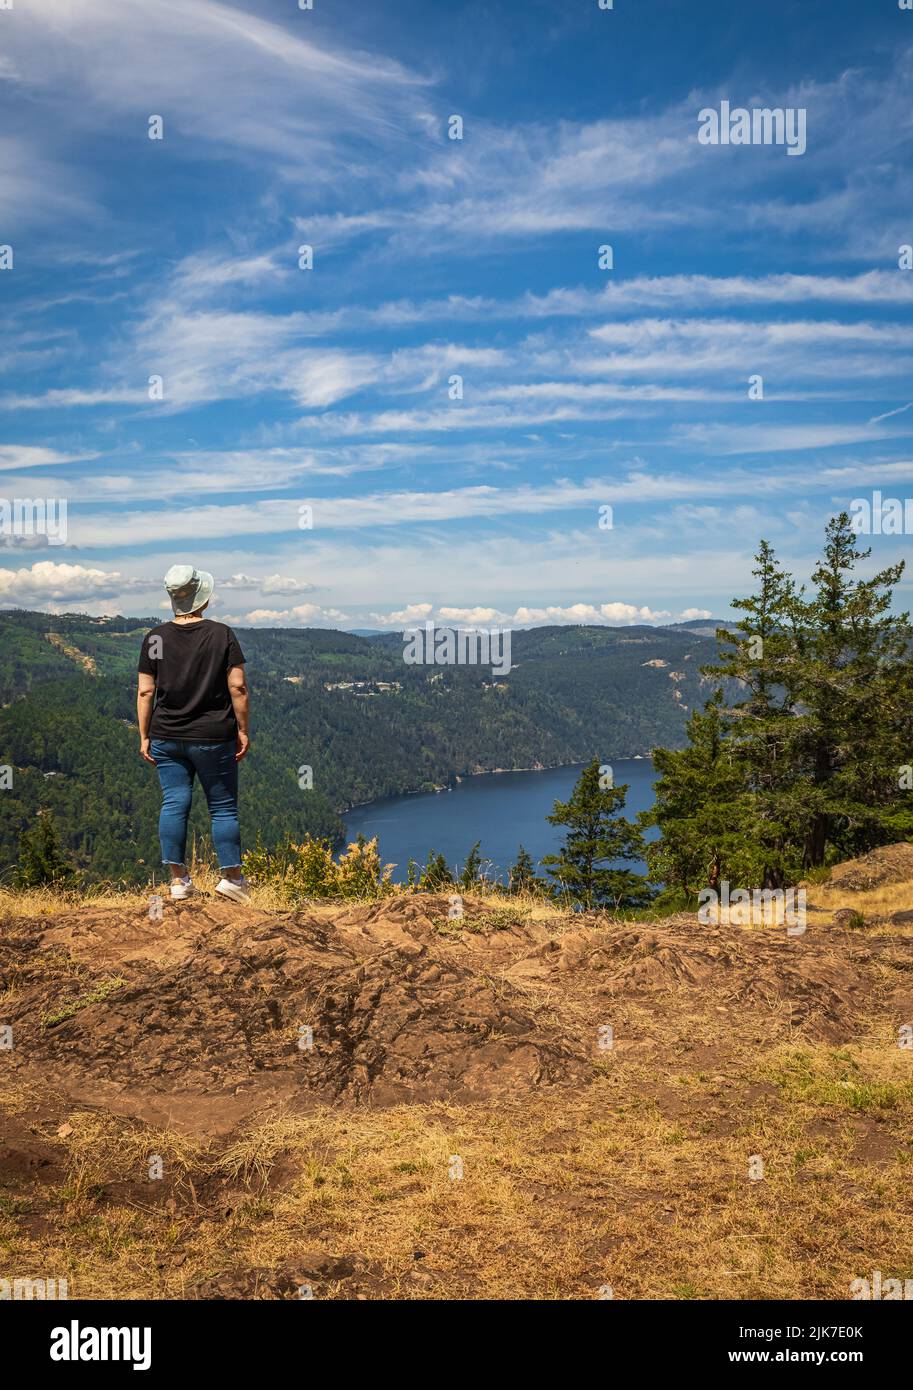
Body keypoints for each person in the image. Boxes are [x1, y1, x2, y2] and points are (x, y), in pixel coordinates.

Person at [137, 564, 251, 902]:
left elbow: (146, 692)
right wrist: (243, 729)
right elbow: (238, 687)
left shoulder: (155, 638)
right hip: (214, 735)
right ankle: (231, 881)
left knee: (174, 803)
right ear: (202, 596)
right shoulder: (221, 634)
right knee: (223, 808)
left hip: (166, 735)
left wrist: (145, 735)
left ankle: (179, 883)